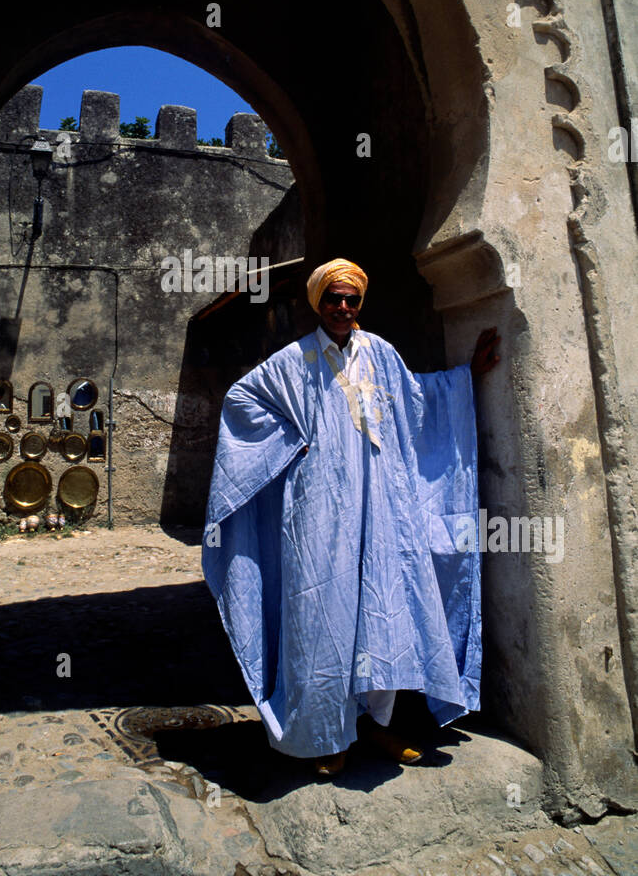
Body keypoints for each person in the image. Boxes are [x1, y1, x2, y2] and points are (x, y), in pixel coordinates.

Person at [202, 257, 500, 777]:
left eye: (352, 299)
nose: (342, 307)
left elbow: (416, 400)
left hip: (383, 506)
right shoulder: (294, 362)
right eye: (333, 299)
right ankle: (326, 734)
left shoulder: (380, 353)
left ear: (361, 303)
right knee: (322, 618)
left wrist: (463, 379)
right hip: (319, 512)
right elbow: (240, 400)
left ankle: (378, 727)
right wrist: (293, 439)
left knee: (384, 610)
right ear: (317, 302)